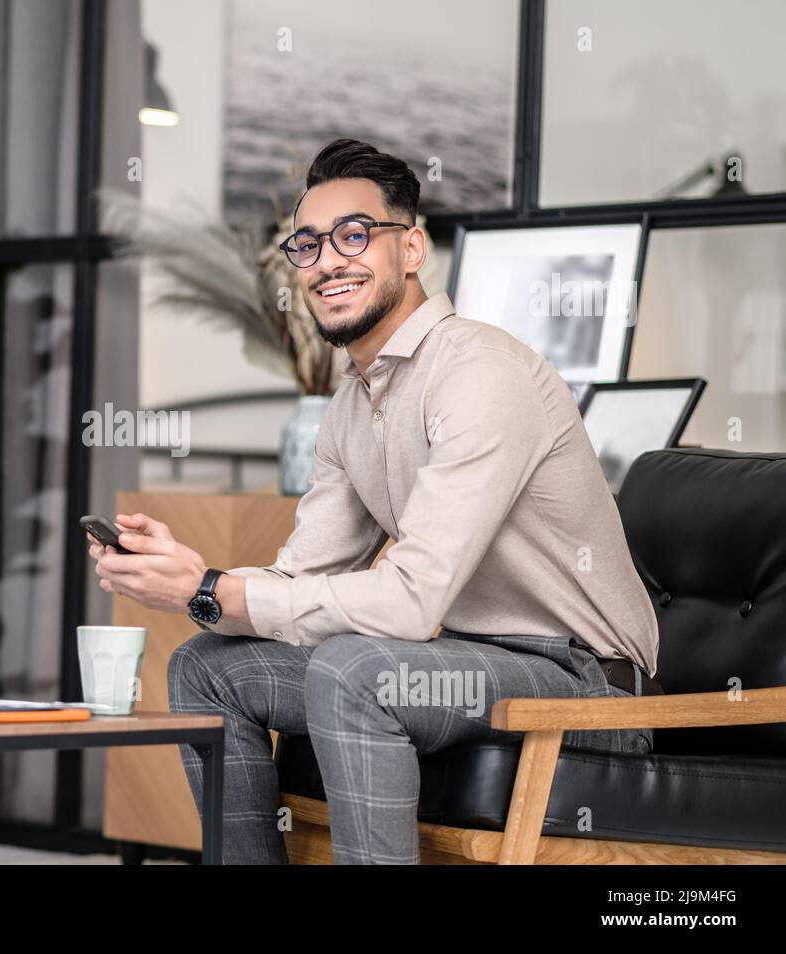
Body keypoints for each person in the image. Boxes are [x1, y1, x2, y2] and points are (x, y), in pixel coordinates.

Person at [86, 138, 658, 864]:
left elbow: (413, 601)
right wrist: (196, 582)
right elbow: (299, 581)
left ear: (412, 249)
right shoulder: (350, 410)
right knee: (207, 666)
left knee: (359, 671)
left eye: (355, 235)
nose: (328, 260)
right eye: (308, 245)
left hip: (582, 685)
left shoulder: (480, 372)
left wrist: (214, 588)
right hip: (457, 665)